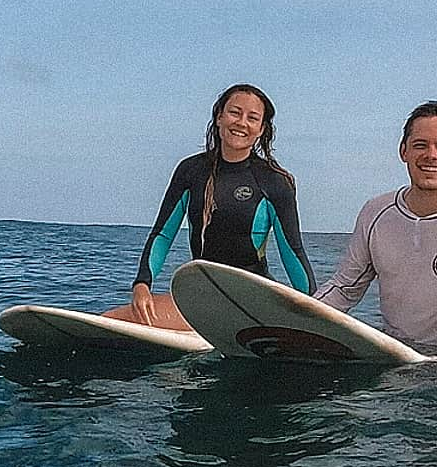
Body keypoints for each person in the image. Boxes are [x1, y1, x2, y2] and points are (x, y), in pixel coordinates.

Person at [313, 99, 437, 364]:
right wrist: (296, 321)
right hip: (399, 354)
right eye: (420, 145)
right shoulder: (376, 213)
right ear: (403, 151)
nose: (431, 155)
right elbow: (344, 288)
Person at [104, 84, 315, 330]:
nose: (241, 123)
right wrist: (142, 284)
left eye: (252, 118)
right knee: (108, 322)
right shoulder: (191, 171)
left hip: (254, 303)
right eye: (235, 113)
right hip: (203, 299)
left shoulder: (274, 182)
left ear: (261, 129)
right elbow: (162, 235)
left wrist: (315, 306)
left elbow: (292, 250)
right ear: (219, 117)